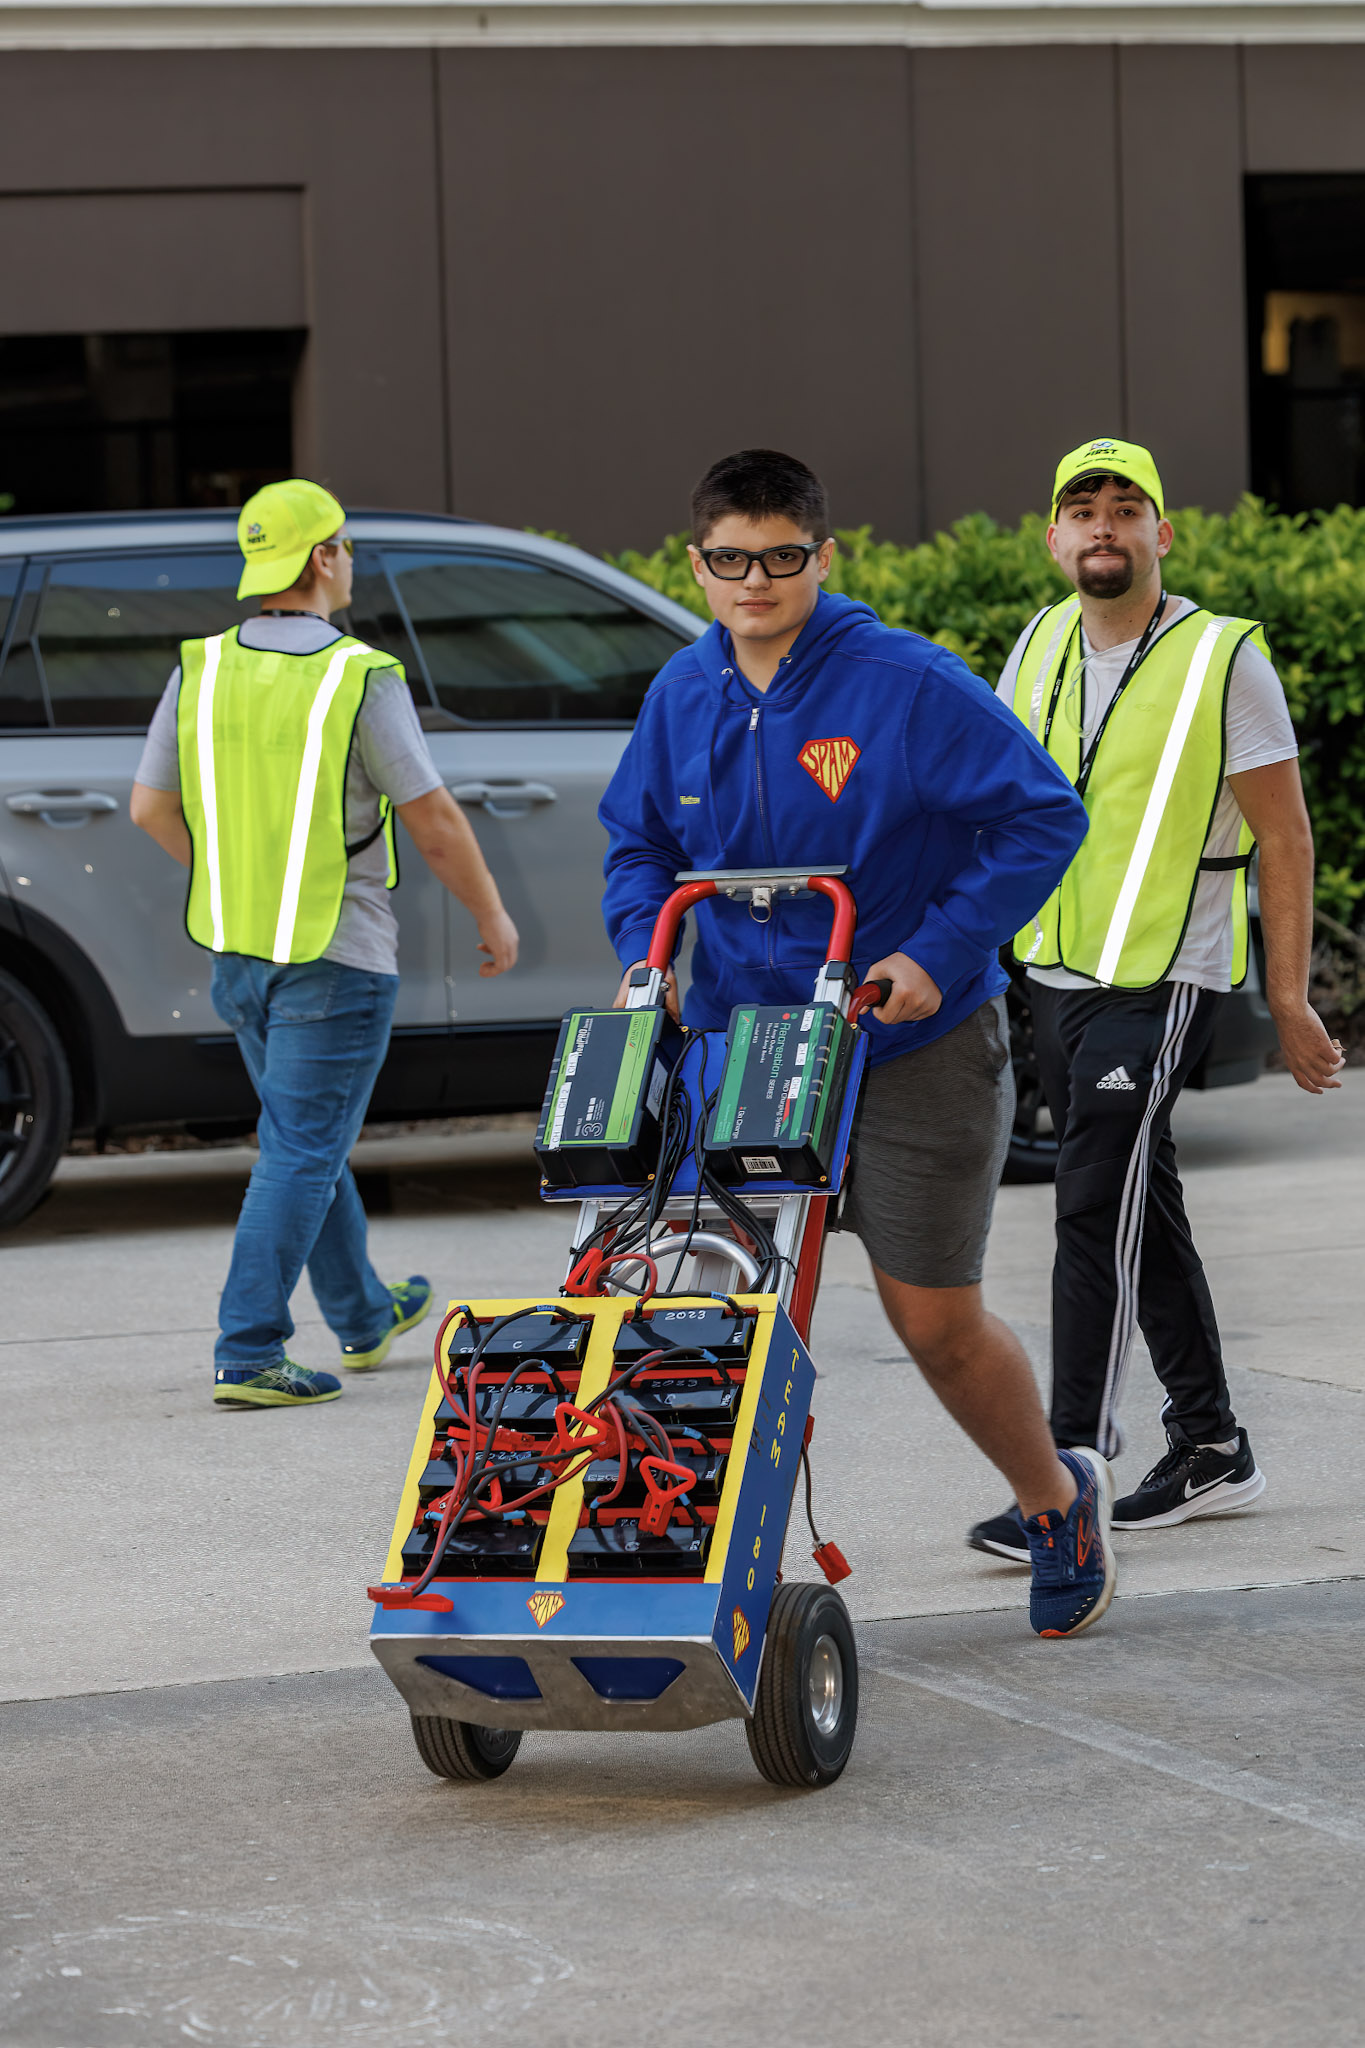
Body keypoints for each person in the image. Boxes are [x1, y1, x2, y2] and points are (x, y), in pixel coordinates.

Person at [599, 446, 1115, 1638]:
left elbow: (1044, 817)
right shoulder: (683, 693)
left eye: (782, 558)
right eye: (730, 561)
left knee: (931, 1320)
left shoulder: (906, 682)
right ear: (699, 564)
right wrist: (649, 950)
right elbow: (636, 843)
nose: (755, 582)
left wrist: (933, 955)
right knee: (701, 1303)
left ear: (823, 557)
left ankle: (1054, 1497)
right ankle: (667, 1541)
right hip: (746, 1041)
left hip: (903, 1040)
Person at [970, 436, 1343, 1560]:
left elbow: (1285, 833)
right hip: (1059, 970)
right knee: (1144, 1200)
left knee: (1091, 1202)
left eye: (1125, 509)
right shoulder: (1037, 643)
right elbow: (997, 802)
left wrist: (1287, 997)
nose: (1102, 527)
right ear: (1052, 539)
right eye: (1081, 510)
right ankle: (1213, 1444)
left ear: (1161, 534)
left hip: (1165, 974)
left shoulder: (1224, 658)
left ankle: (1064, 1471)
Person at [131, 479, 518, 1410]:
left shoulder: (202, 667)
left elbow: (150, 807)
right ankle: (249, 1348)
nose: (348, 558)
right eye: (343, 544)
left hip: (240, 952)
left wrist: (231, 878)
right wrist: (492, 916)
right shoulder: (359, 676)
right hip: (336, 957)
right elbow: (431, 820)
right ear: (323, 559)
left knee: (305, 1136)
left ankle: (362, 1310)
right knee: (302, 1148)